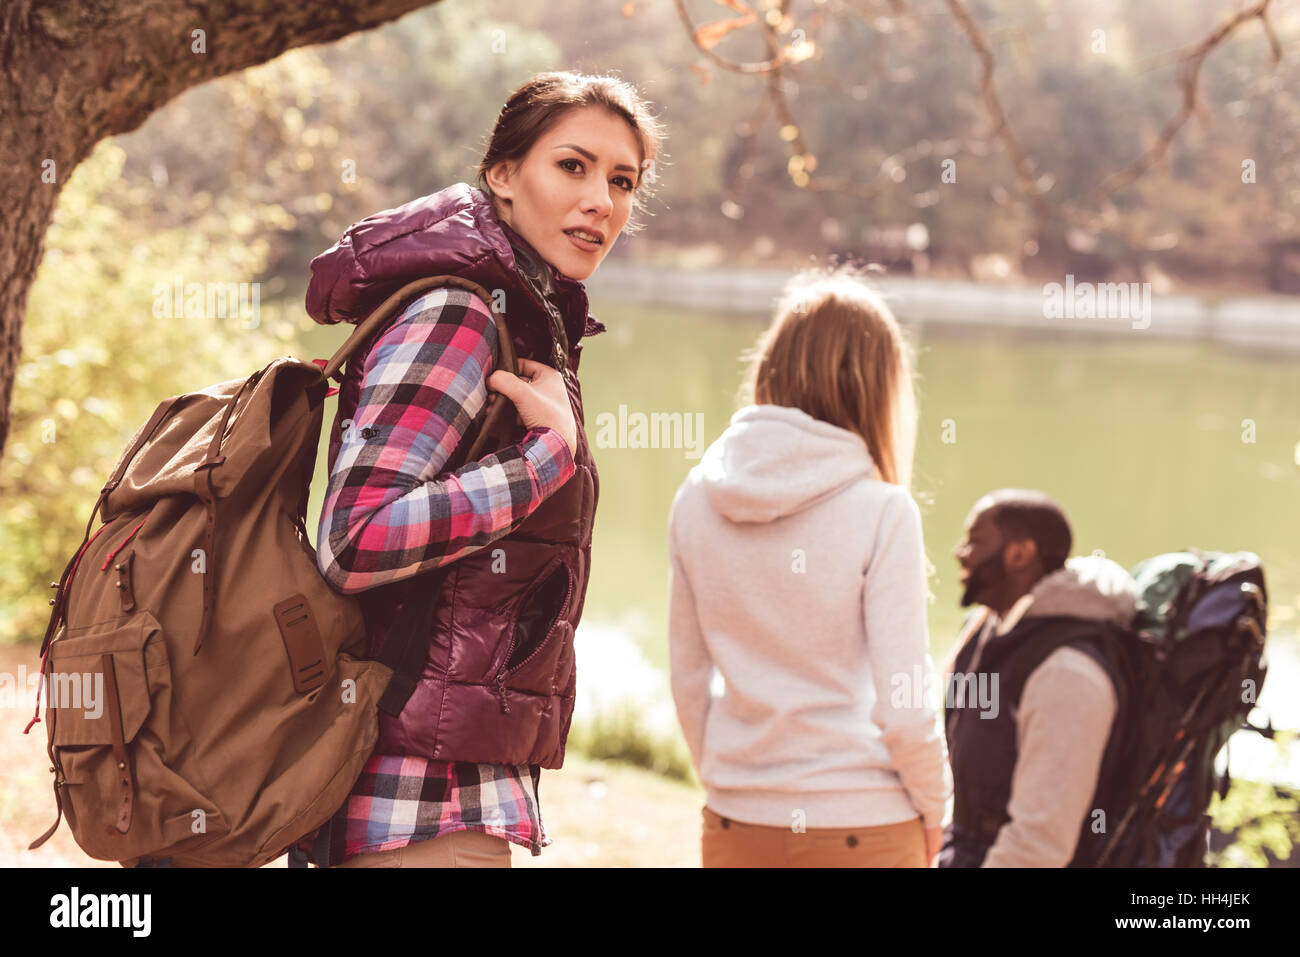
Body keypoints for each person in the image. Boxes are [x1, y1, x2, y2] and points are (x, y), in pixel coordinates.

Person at [293, 71, 665, 868]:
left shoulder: (521, 321)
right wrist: (543, 461)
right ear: (502, 175)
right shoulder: (459, 316)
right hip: (411, 803)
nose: (601, 199)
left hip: (449, 789)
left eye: (623, 180)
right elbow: (355, 539)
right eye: (573, 166)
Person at [667, 266, 951, 867]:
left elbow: (688, 680)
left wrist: (736, 781)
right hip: (865, 822)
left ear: (772, 364)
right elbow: (905, 705)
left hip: (738, 820)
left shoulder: (697, 496)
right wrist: (938, 810)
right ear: (876, 387)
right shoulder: (883, 510)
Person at [939, 489, 1136, 867]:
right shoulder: (987, 629)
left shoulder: (1067, 673)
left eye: (975, 540)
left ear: (1019, 554)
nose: (960, 551)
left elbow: (1038, 845)